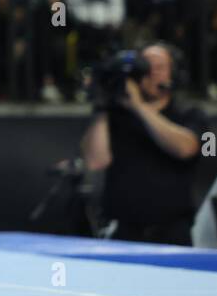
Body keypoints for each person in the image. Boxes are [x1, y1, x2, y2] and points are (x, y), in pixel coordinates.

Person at [80, 43, 207, 245]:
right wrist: (102, 106)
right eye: (144, 67)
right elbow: (96, 162)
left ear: (174, 74)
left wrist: (138, 106)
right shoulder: (116, 115)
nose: (149, 73)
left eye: (158, 67)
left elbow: (186, 148)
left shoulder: (189, 113)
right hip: (124, 232)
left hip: (172, 232)